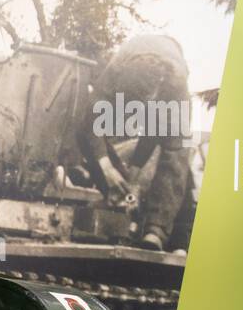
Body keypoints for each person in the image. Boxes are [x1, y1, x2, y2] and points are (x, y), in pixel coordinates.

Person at [75, 35, 194, 250]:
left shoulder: (176, 85)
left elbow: (156, 135)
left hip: (172, 83)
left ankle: (156, 230)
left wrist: (137, 171)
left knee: (177, 156)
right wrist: (107, 166)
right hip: (129, 67)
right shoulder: (115, 73)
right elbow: (90, 122)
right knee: (88, 134)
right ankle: (119, 197)